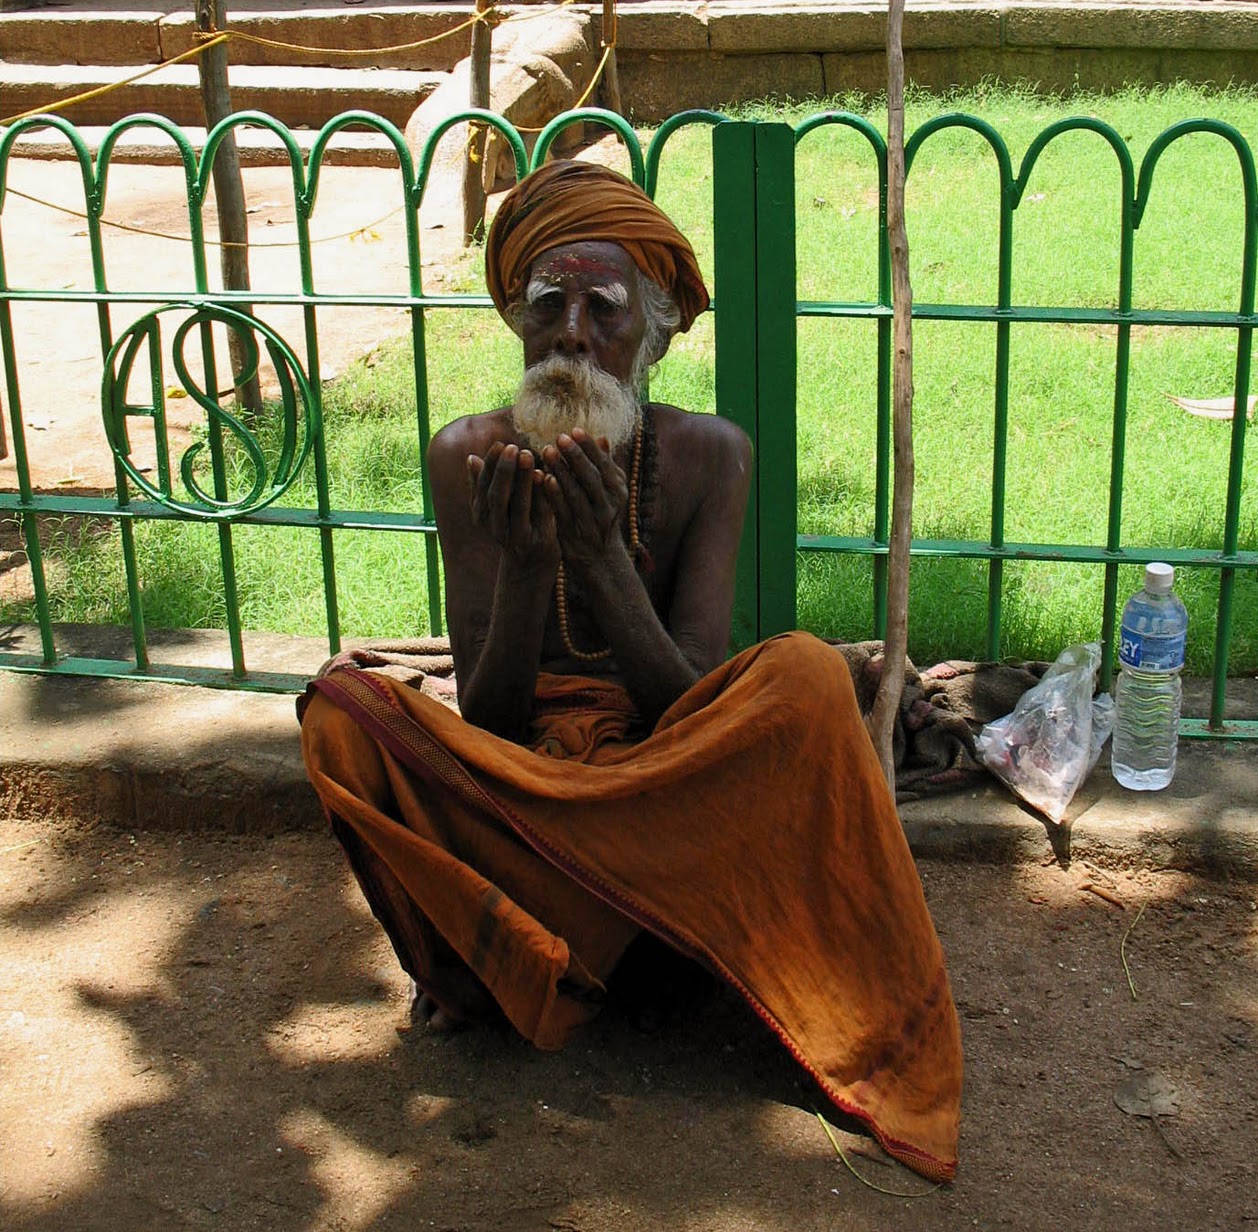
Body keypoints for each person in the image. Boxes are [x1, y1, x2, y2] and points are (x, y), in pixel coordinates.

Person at [299, 158, 963, 1184]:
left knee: (801, 674)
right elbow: (492, 712)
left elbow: (685, 699)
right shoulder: (466, 454)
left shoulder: (711, 456)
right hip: (531, 785)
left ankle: (574, 941)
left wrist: (606, 559)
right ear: (517, 322)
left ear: (657, 331)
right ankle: (606, 942)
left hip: (664, 771)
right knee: (342, 711)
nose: (571, 333)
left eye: (602, 310)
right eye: (546, 306)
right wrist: (528, 565)